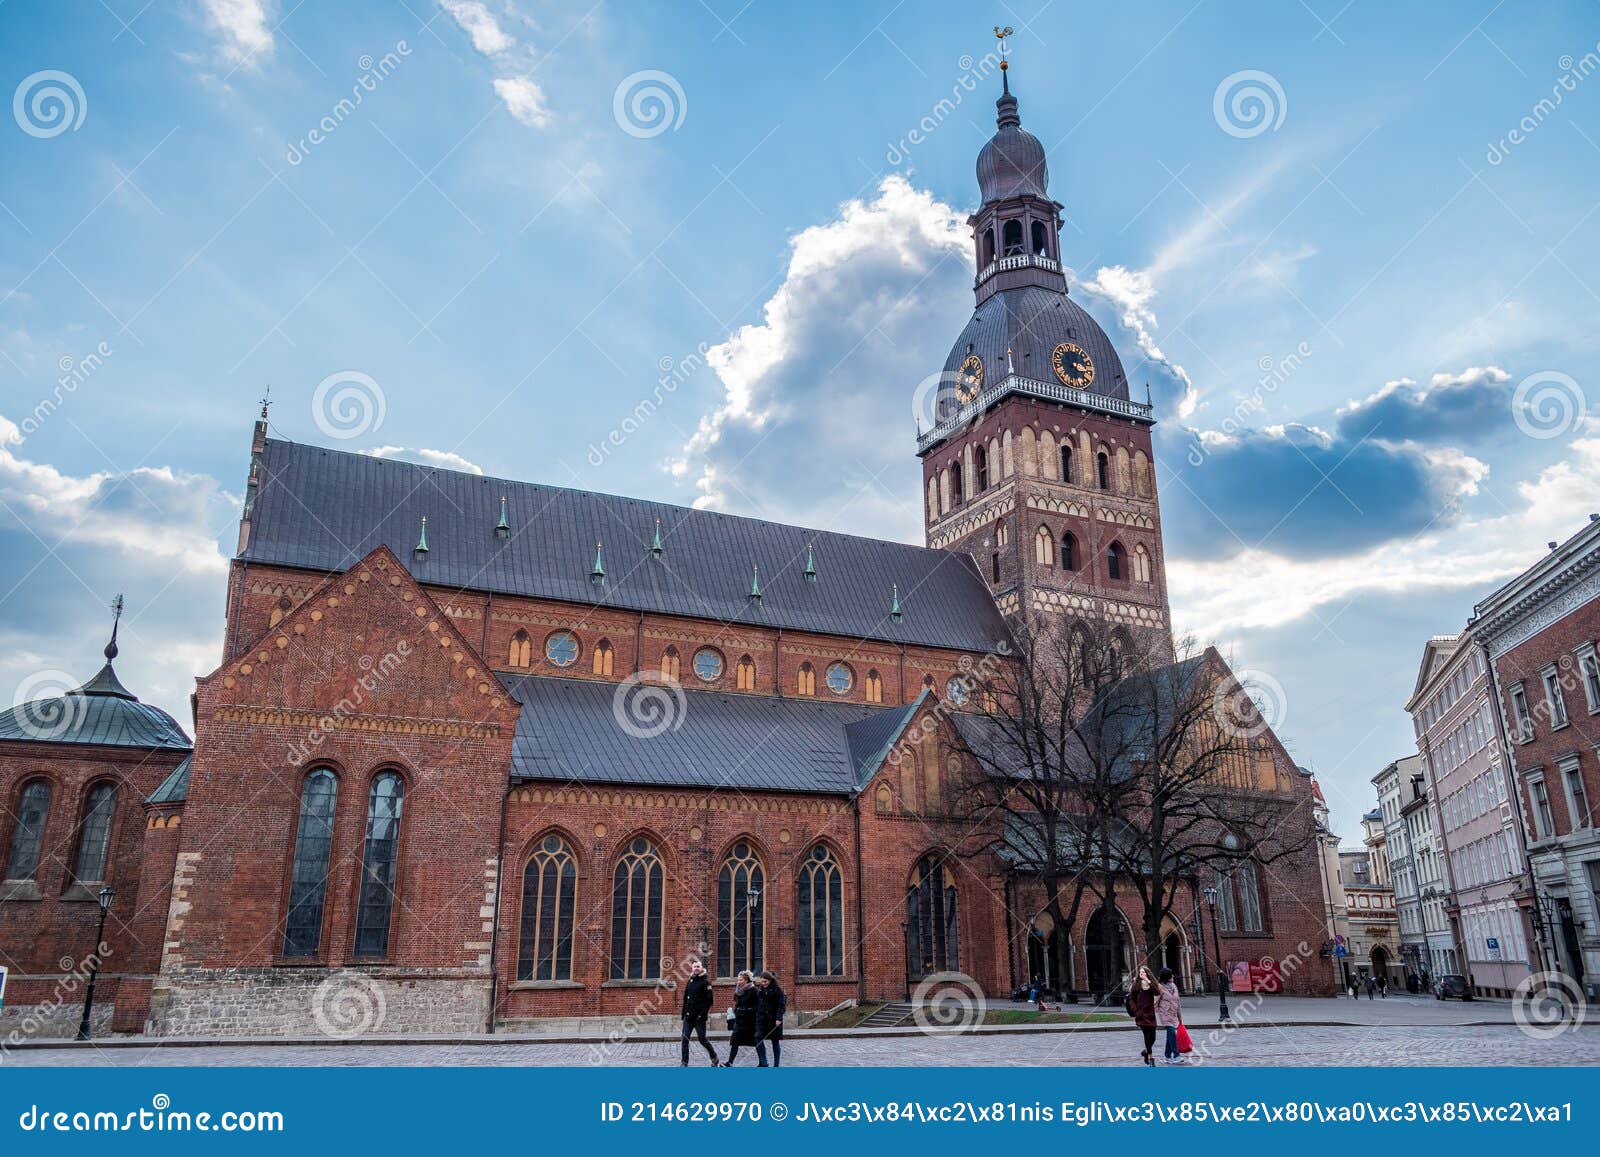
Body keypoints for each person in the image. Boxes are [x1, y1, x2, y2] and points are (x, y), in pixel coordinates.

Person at [679, 957, 720, 1067]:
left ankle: (714, 1055)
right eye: (694, 967)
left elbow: (709, 1001)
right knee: (685, 1039)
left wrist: (702, 1015)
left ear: (702, 968)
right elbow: (685, 998)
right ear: (692, 968)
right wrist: (683, 1014)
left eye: (698, 966)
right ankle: (684, 1062)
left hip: (699, 1018)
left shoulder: (705, 982)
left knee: (702, 1039)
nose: (696, 968)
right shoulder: (690, 980)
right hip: (688, 1017)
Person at [723, 971, 760, 1066]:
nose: (738, 981)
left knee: (755, 1042)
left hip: (750, 1021)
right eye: (738, 979)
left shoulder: (754, 990)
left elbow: (758, 1006)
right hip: (739, 1020)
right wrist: (735, 1012)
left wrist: (748, 1011)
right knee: (734, 1041)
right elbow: (737, 1003)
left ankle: (762, 1062)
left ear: (746, 980)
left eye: (741, 980)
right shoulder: (738, 990)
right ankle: (730, 1062)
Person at [1123, 966, 1158, 1067]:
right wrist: (1135, 1010)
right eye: (1140, 972)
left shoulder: (1151, 985)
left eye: (1144, 972)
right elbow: (1130, 998)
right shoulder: (1136, 985)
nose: (1142, 974)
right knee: (1146, 1036)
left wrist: (1148, 980)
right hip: (1141, 1014)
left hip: (1150, 1014)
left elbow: (1157, 992)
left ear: (1147, 973)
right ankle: (1151, 1058)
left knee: (1153, 1037)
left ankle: (1146, 1052)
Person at [756, 970, 787, 1068]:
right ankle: (764, 1062)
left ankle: (776, 1064)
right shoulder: (760, 990)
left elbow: (781, 1006)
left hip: (774, 1020)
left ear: (770, 980)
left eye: (765, 982)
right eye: (762, 982)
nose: (763, 983)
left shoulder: (777, 990)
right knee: (758, 1038)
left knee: (775, 1041)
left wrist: (778, 1018)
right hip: (762, 1020)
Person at [1155, 968, 1183, 1065]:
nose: (1173, 977)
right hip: (1165, 1014)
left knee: (1170, 1035)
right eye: (1171, 975)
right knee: (1171, 1032)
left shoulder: (1174, 986)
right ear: (1167, 977)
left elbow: (1178, 1001)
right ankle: (1176, 1055)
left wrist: (1180, 1018)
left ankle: (1167, 1056)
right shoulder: (1159, 987)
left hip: (1174, 1014)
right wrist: (1155, 1013)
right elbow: (1155, 1002)